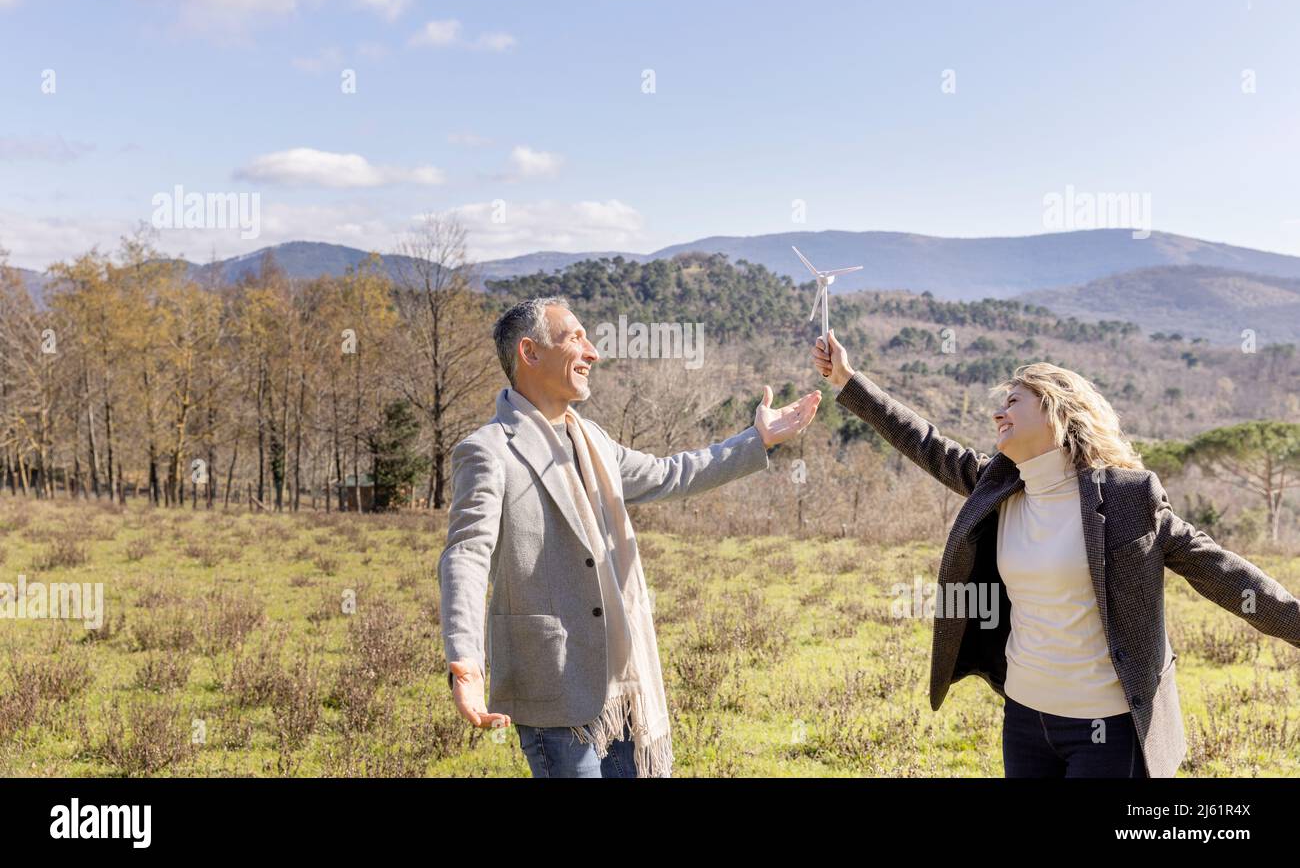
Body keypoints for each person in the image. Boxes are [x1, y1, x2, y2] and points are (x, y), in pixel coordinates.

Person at [812, 328, 1300, 777]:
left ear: (1058, 412)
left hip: (1107, 728)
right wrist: (847, 380)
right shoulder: (998, 487)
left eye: (1013, 402)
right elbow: (924, 442)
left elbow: (1219, 570)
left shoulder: (1129, 498)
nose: (998, 413)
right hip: (1024, 719)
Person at [439, 296, 821, 777]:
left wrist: (757, 439)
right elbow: (466, 555)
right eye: (574, 338)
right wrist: (465, 662)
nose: (593, 352)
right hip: (554, 685)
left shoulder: (593, 438)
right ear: (529, 353)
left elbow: (671, 474)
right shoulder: (487, 451)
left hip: (625, 684)